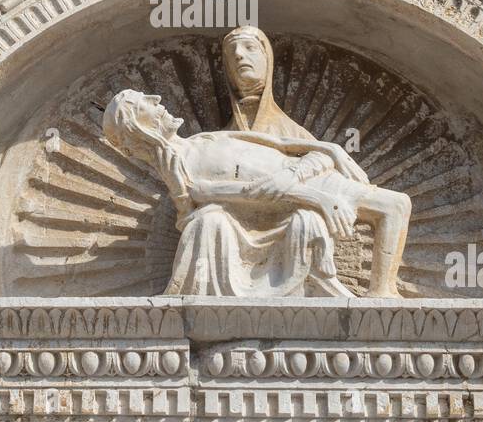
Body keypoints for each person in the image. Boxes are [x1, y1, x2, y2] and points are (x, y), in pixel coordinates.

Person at [102, 88, 410, 298]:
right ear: (136, 127)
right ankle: (381, 295)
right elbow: (249, 194)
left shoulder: (203, 138)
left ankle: (383, 292)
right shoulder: (178, 166)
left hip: (303, 172)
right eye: (147, 103)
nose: (158, 99)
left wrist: (330, 149)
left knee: (397, 205)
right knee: (393, 206)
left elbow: (278, 145)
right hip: (298, 191)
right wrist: (318, 200)